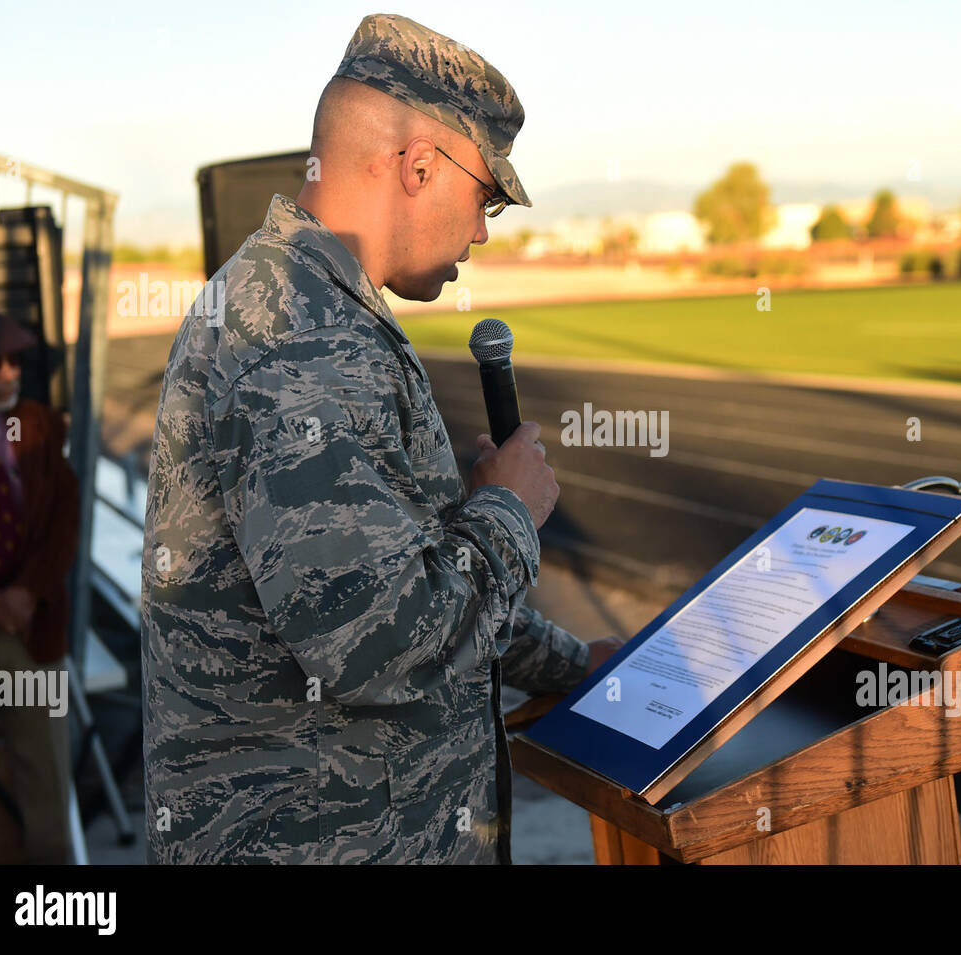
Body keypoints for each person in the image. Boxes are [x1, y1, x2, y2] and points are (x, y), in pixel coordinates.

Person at [141, 13, 621, 864]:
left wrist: (570, 662)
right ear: (419, 164)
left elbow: (403, 575)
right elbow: (375, 639)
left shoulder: (308, 306)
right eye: (488, 197)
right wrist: (510, 510)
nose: (481, 230)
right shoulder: (292, 330)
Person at [0, 307, 79, 864]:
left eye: (16, 360)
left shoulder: (39, 425)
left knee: (48, 784)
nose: (8, 372)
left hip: (32, 631)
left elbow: (63, 517)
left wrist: (26, 593)